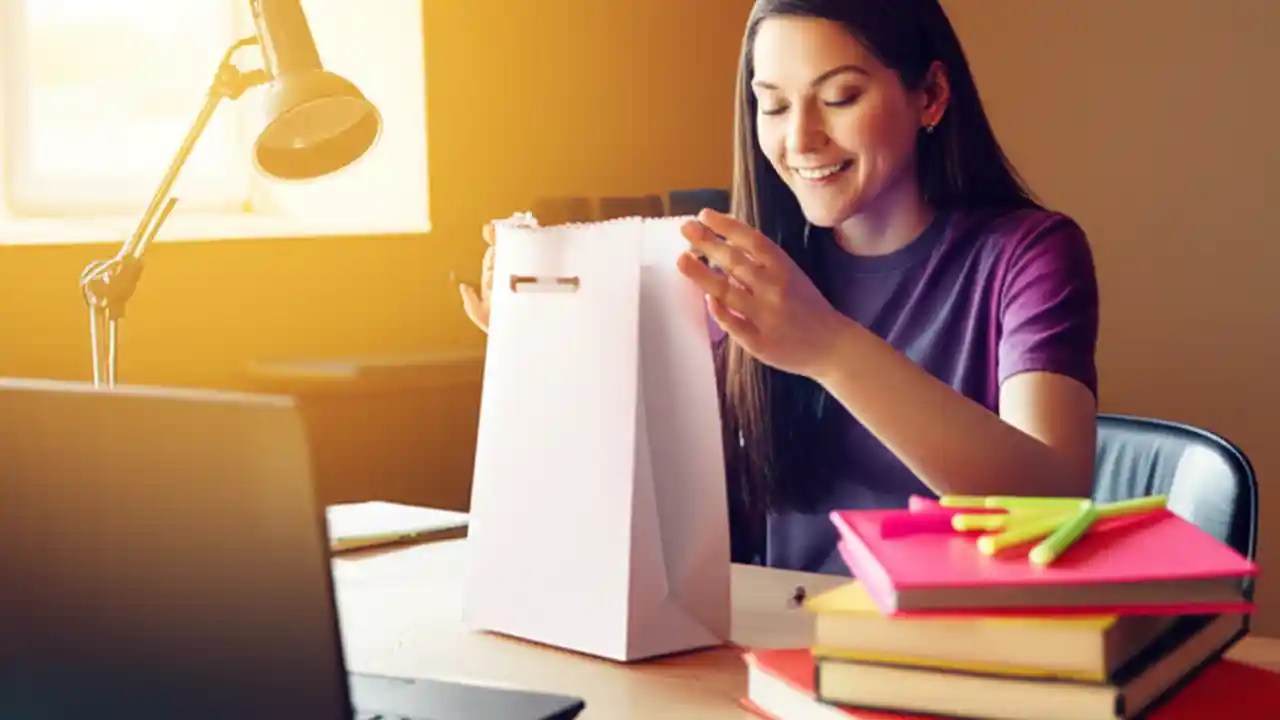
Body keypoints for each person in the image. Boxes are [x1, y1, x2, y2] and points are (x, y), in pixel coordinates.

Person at [459, 0, 1099, 575]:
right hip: (774, 647)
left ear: (930, 95)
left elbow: (1052, 493)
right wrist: (537, 349)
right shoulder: (748, 271)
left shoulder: (1028, 254)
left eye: (841, 97)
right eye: (773, 104)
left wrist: (827, 347)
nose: (800, 139)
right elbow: (647, 485)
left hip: (965, 652)